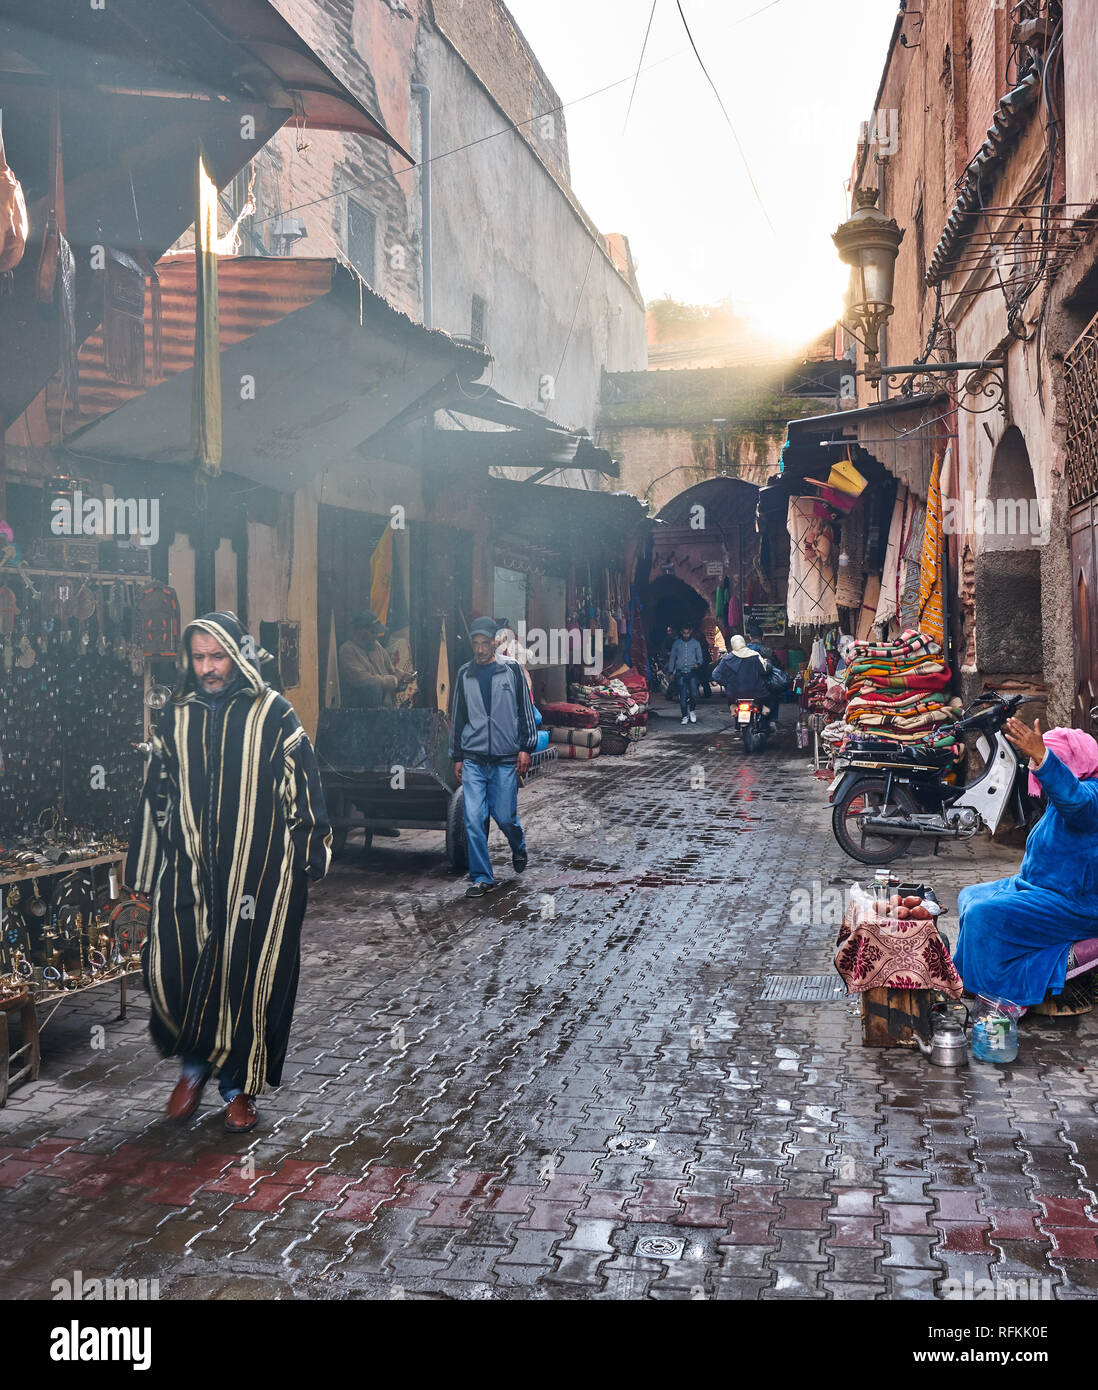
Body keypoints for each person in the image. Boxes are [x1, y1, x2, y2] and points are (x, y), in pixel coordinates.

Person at [125, 611, 332, 1133]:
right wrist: (149, 867)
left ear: (237, 656)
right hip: (190, 871)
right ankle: (192, 1068)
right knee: (174, 966)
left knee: (249, 980)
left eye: (217, 656)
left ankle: (237, 1090)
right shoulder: (177, 716)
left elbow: (302, 784)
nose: (208, 668)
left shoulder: (273, 715)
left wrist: (307, 858)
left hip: (257, 876)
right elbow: (159, 791)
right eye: (198, 657)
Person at [954, 719, 1098, 1009]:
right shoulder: (1069, 792)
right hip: (1036, 887)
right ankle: (973, 977)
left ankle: (999, 992)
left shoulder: (1091, 794)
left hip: (1073, 904)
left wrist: (1044, 758)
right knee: (970, 895)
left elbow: (1077, 803)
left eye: (1043, 760)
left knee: (983, 916)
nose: (1035, 769)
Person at [449, 616, 539, 897]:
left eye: (484, 643)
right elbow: (458, 717)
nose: (479, 649)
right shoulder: (465, 674)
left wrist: (526, 747)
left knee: (504, 816)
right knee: (473, 818)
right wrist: (457, 756)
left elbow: (525, 711)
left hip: (505, 757)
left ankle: (518, 844)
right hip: (474, 758)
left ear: (496, 643)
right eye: (475, 644)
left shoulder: (512, 671)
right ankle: (481, 878)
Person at [338, 610, 413, 708]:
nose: (376, 636)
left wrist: (402, 677)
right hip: (360, 712)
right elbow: (364, 681)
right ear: (360, 631)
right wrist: (394, 680)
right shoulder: (347, 650)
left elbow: (390, 670)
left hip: (386, 710)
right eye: (373, 632)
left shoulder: (376, 646)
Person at [712, 634, 777, 731]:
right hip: (757, 692)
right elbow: (765, 670)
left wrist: (727, 683)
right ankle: (765, 712)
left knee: (732, 701)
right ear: (743, 643)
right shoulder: (754, 655)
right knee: (770, 696)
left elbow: (715, 675)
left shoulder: (727, 659)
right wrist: (768, 663)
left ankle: (734, 711)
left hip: (735, 693)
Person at [667, 624, 703, 724]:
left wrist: (698, 664)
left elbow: (700, 657)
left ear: (690, 632)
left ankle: (692, 711)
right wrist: (670, 672)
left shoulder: (696, 643)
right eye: (684, 633)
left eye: (688, 633)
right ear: (681, 633)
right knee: (682, 695)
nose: (686, 635)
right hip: (680, 673)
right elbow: (672, 658)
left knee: (694, 694)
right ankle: (684, 715)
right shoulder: (676, 644)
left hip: (692, 672)